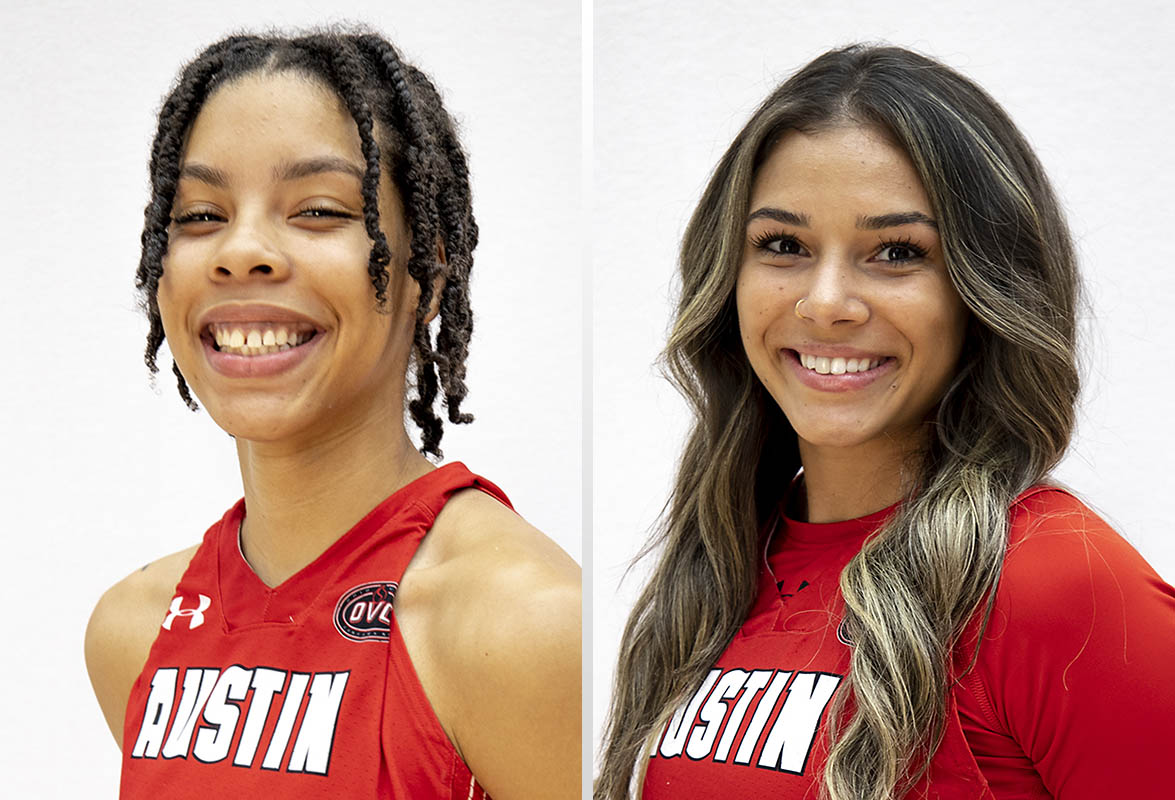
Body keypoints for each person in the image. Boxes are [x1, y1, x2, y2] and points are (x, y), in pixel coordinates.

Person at [597, 44, 1175, 800]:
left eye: (896, 252)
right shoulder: (716, 572)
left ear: (983, 289)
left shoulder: (1059, 587)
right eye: (783, 245)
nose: (826, 301)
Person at [83, 29, 580, 800]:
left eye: (317, 210)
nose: (240, 250)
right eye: (199, 214)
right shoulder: (132, 633)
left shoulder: (525, 625)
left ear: (431, 266)